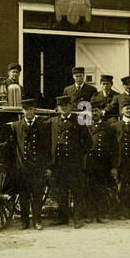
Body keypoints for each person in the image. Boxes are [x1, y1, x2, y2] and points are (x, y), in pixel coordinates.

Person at [51, 94, 91, 227]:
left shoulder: (79, 120)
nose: (63, 108)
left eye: (66, 106)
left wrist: (79, 155)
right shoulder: (53, 121)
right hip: (59, 164)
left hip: (74, 164)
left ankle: (77, 218)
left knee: (76, 191)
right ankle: (63, 217)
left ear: (71, 106)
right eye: (61, 106)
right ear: (58, 108)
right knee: (61, 191)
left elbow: (88, 142)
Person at [11, 98, 49, 230]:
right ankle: (24, 221)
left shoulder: (42, 126)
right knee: (23, 195)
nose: (29, 112)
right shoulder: (16, 126)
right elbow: (10, 144)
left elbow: (47, 147)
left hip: (38, 167)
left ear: (35, 110)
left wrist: (47, 166)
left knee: (37, 195)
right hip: (23, 167)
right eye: (26, 109)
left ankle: (37, 221)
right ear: (22, 111)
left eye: (31, 109)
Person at [85, 105, 115, 223]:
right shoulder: (85, 126)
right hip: (89, 163)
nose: (94, 113)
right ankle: (90, 214)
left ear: (101, 112)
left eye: (96, 110)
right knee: (88, 188)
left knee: (102, 189)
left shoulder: (108, 127)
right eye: (92, 111)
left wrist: (113, 166)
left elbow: (114, 147)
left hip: (103, 164)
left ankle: (100, 214)